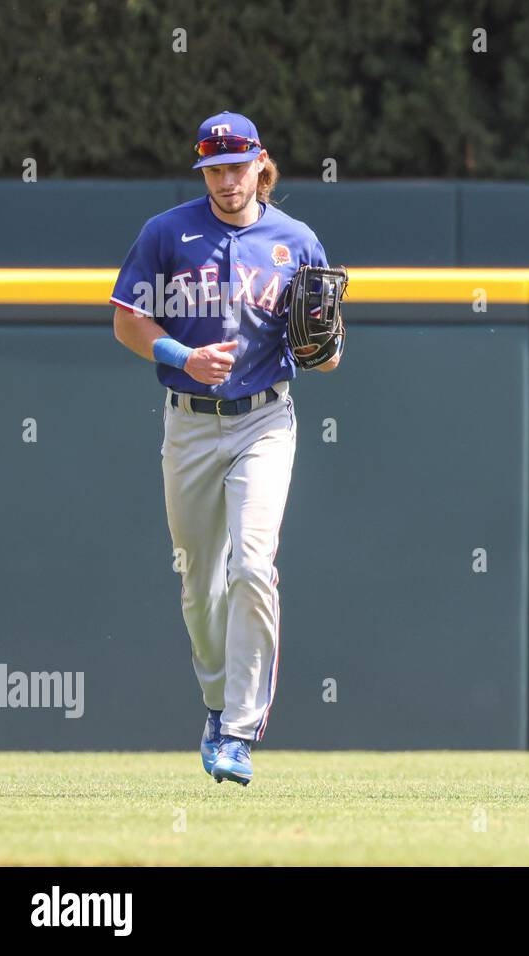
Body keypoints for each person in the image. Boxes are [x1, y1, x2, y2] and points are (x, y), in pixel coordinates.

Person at [110, 111, 342, 786]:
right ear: (202, 170)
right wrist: (180, 353)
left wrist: (322, 348)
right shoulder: (168, 232)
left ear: (258, 162)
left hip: (264, 421)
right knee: (199, 585)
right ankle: (217, 703)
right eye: (214, 168)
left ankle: (239, 728)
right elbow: (126, 318)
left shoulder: (294, 239)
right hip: (187, 421)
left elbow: (327, 352)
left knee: (252, 564)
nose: (227, 179)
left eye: (237, 166)